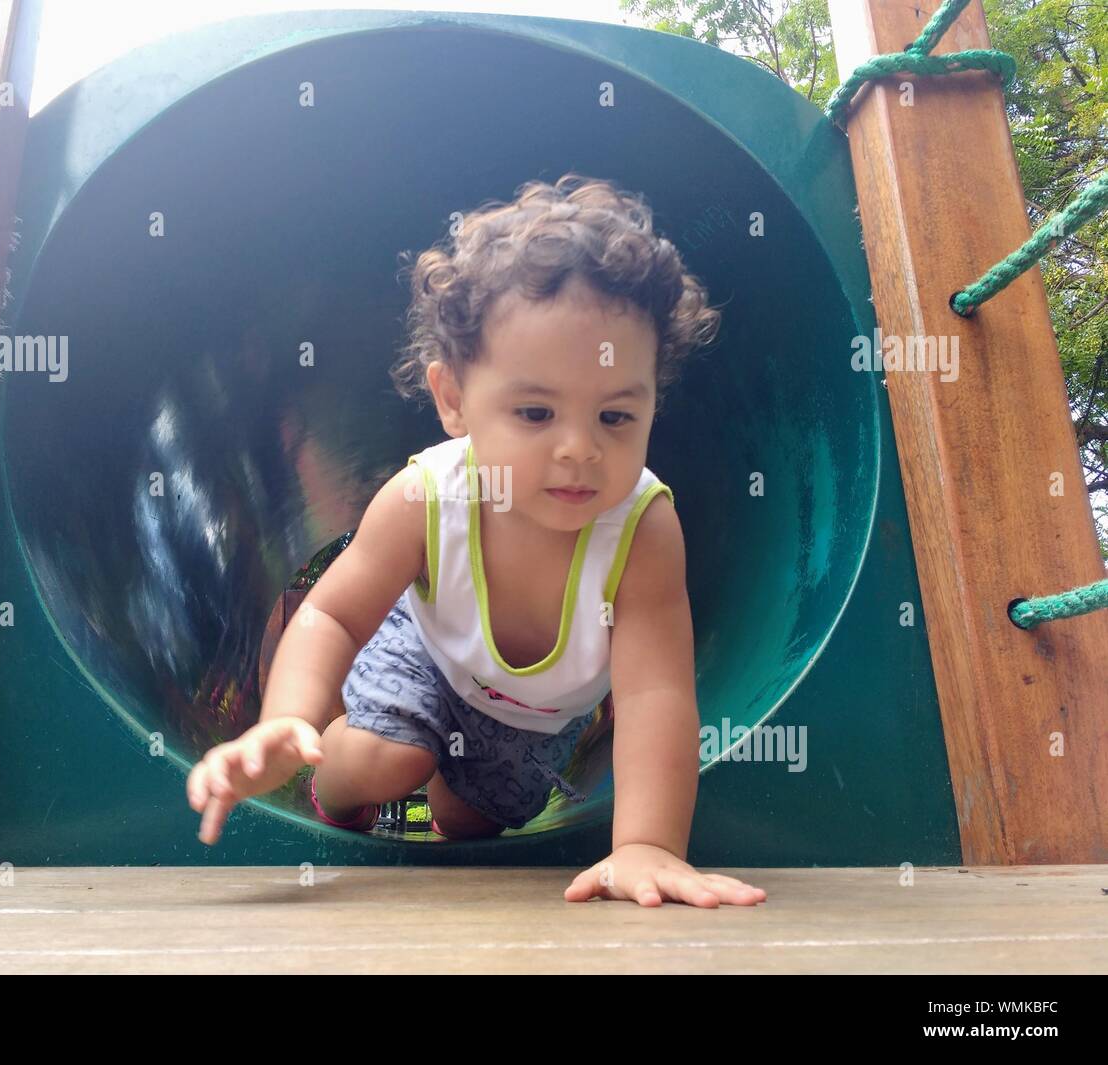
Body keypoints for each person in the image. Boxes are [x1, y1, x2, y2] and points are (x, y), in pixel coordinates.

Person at [188, 173, 767, 908]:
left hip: (537, 719)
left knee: (466, 824)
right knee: (386, 756)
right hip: (427, 653)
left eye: (616, 417)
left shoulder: (643, 528)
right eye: (534, 411)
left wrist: (645, 845)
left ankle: (442, 788)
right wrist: (286, 721)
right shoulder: (427, 497)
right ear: (454, 399)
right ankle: (336, 796)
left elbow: (656, 691)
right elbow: (331, 615)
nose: (579, 449)